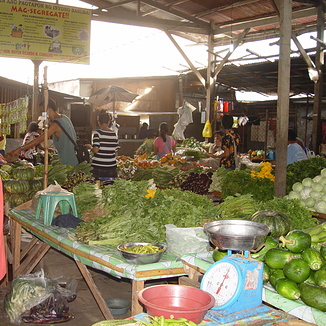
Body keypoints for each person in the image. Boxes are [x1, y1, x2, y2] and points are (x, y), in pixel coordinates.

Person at [9, 98, 78, 166]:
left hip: (67, 161)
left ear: (48, 110)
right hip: (74, 158)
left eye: (42, 111)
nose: (42, 114)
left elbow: (38, 140)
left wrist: (20, 149)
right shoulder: (65, 118)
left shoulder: (55, 124)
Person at [86, 113, 118, 180]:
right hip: (111, 167)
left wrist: (90, 147)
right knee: (110, 187)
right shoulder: (114, 134)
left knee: (98, 187)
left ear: (98, 122)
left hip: (99, 167)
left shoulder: (98, 133)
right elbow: (115, 149)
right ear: (109, 122)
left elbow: (95, 150)